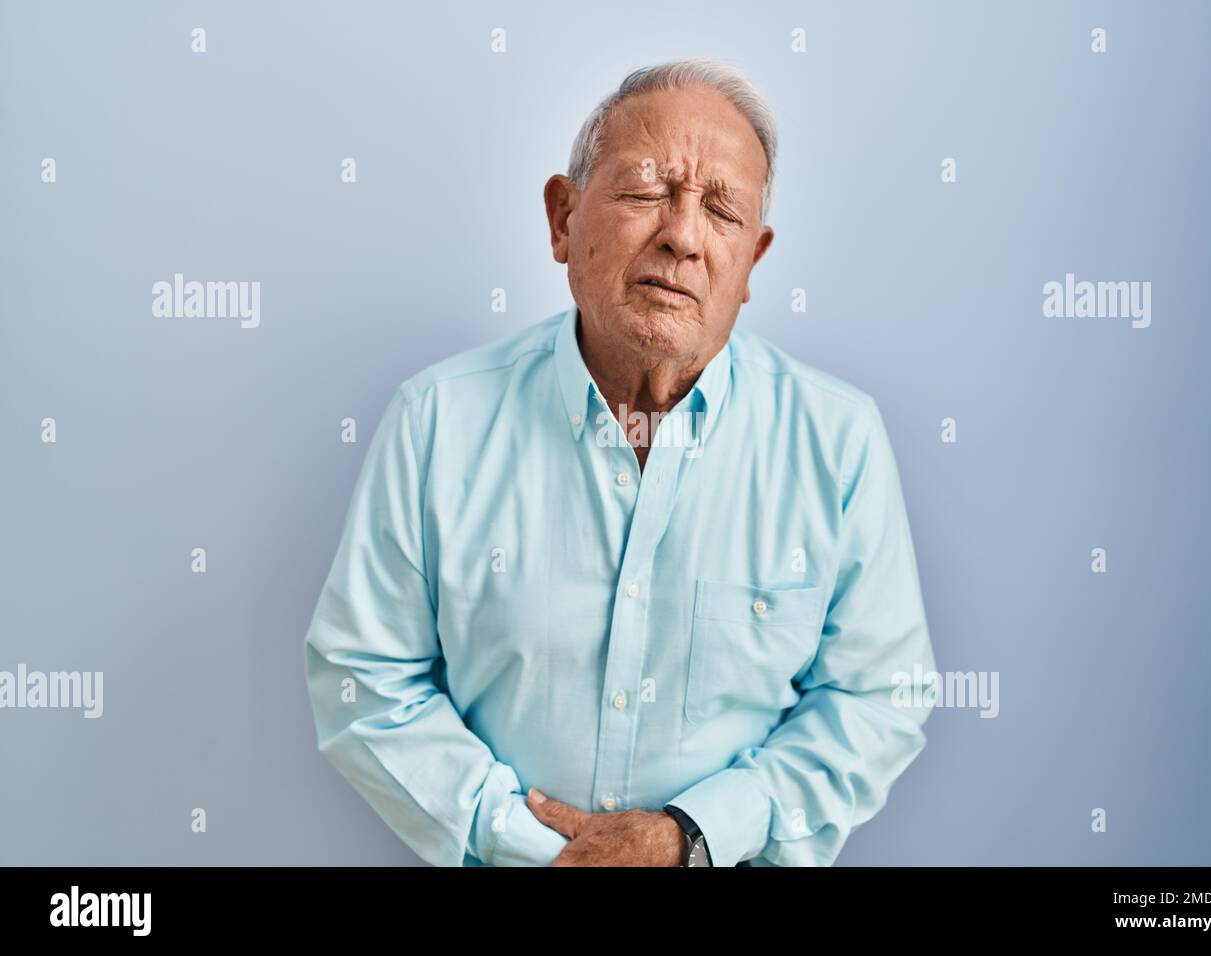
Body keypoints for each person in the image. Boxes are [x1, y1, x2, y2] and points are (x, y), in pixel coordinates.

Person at [304, 58, 936, 866]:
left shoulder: (837, 440)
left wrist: (692, 838)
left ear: (753, 263)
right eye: (644, 192)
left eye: (722, 211)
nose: (682, 235)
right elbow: (363, 679)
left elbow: (879, 698)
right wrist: (521, 841)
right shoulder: (438, 421)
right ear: (562, 219)